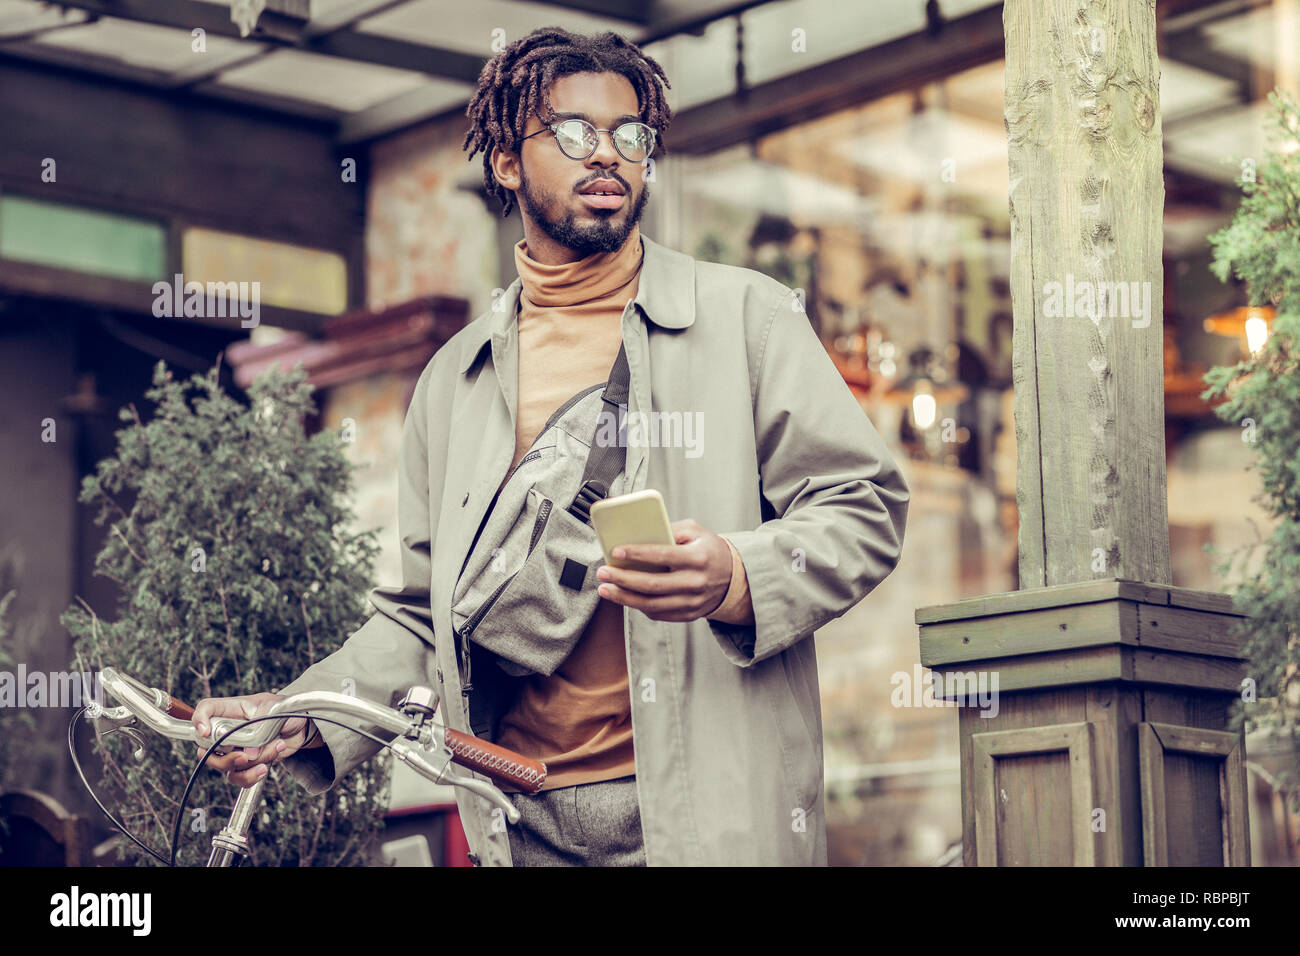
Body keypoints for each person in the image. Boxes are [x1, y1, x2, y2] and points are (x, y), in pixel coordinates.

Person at [191, 27, 910, 867]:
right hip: (516, 819)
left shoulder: (749, 318)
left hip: (701, 821)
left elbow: (863, 507)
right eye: (573, 133)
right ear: (504, 161)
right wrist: (308, 709)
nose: (607, 154)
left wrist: (741, 576)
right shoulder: (453, 380)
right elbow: (425, 616)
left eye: (629, 134)